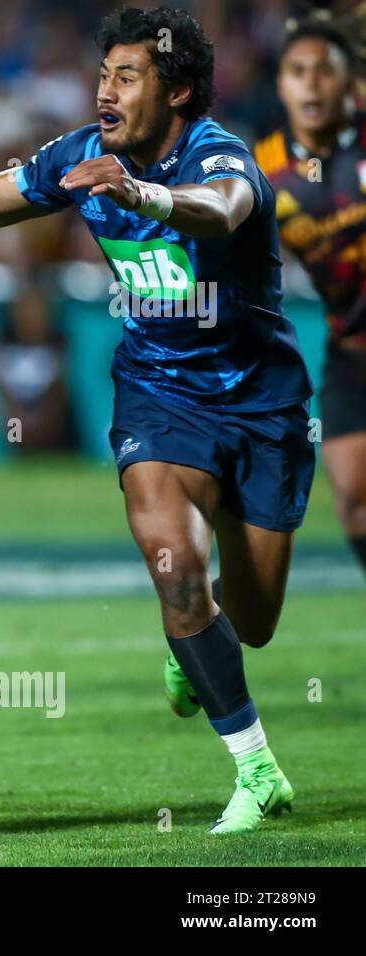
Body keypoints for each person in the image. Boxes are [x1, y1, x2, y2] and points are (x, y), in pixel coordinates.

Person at [0, 5, 313, 833]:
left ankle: (197, 639)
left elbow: (220, 211)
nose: (104, 89)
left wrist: (141, 192)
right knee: (176, 565)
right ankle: (256, 768)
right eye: (102, 72)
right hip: (159, 394)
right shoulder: (80, 153)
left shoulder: (218, 153)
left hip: (262, 407)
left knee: (249, 623)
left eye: (127, 76)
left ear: (177, 90)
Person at [255, 17, 366, 580]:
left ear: (350, 82)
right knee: (352, 495)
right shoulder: (265, 170)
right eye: (298, 72)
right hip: (352, 346)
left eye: (326, 71)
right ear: (280, 84)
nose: (312, 85)